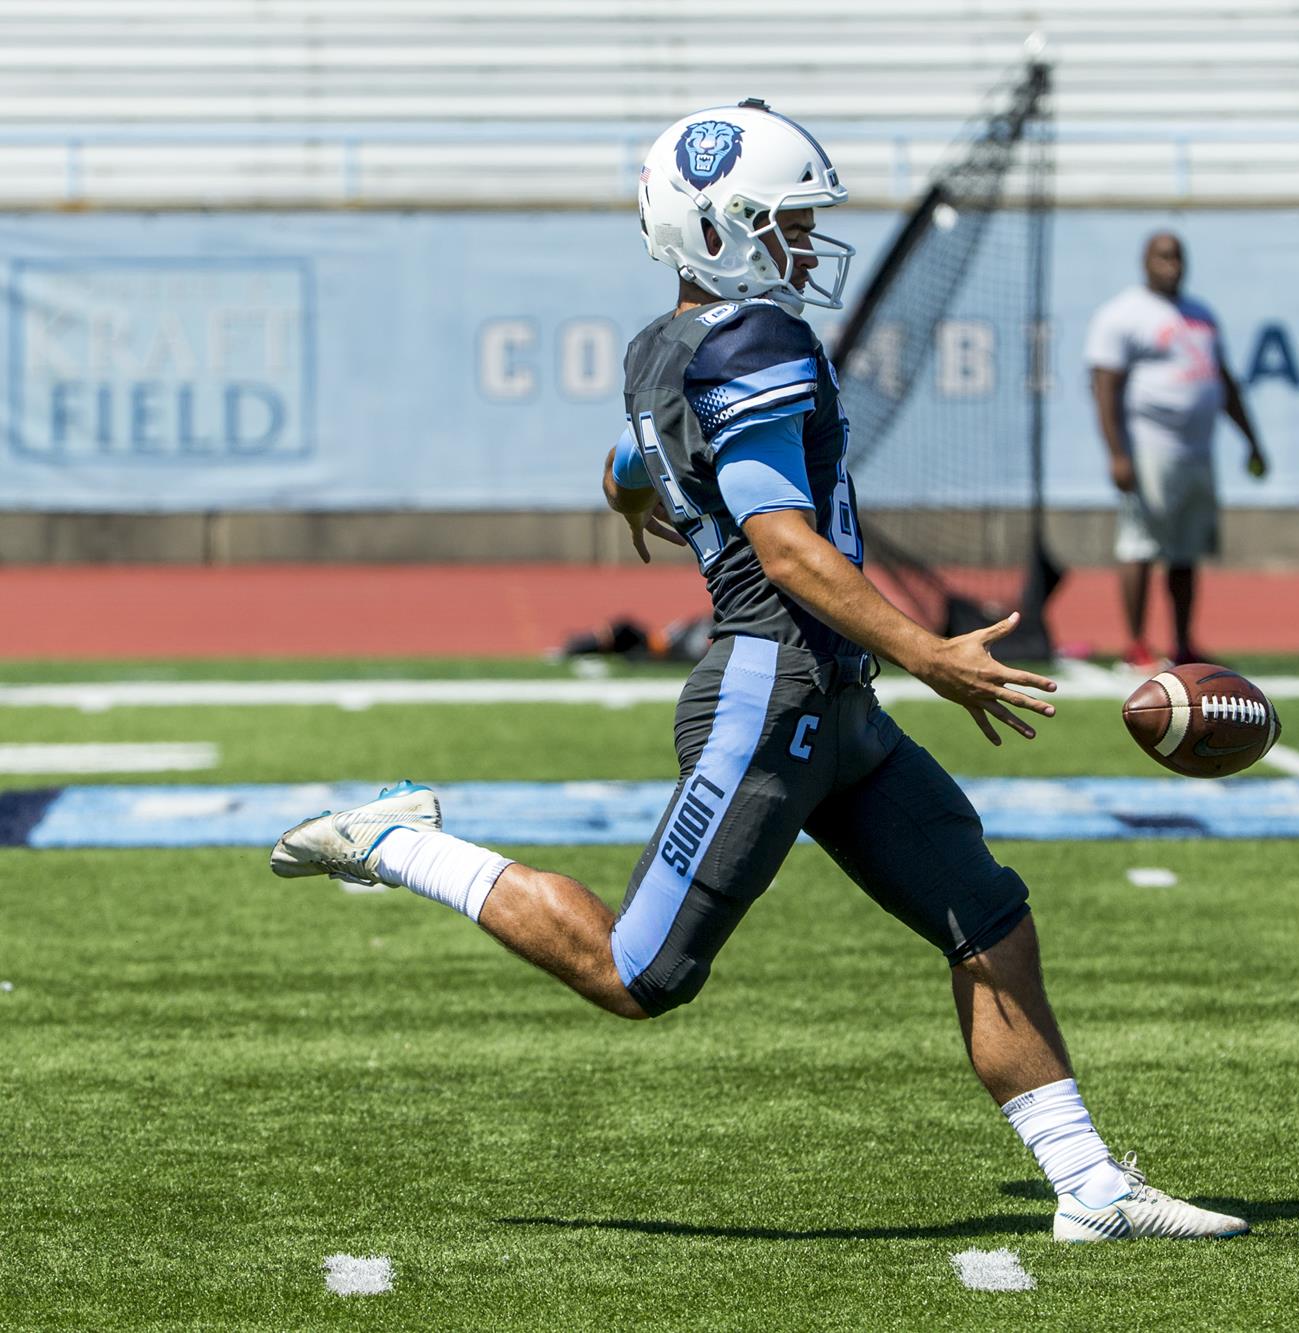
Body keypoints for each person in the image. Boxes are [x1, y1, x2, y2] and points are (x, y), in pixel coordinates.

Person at [268, 100, 1246, 1244]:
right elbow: (783, 543)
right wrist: (928, 651)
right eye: (781, 222)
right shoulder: (755, 342)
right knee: (638, 973)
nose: (802, 244)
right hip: (770, 690)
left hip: (834, 702)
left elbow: (631, 457)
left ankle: (1086, 1187)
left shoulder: (666, 345)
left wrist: (639, 500)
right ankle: (400, 840)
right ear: (714, 229)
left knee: (988, 916)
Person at [1086, 232, 1267, 671]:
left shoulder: (1200, 314)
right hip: (1150, 448)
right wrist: (1117, 454)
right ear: (1145, 260)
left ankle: (1183, 643)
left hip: (1197, 451)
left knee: (1186, 552)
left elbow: (1222, 382)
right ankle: (1136, 645)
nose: (1173, 264)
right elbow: (1104, 387)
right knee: (1142, 547)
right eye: (1163, 256)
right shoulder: (1123, 315)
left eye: (1178, 257)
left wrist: (1251, 440)